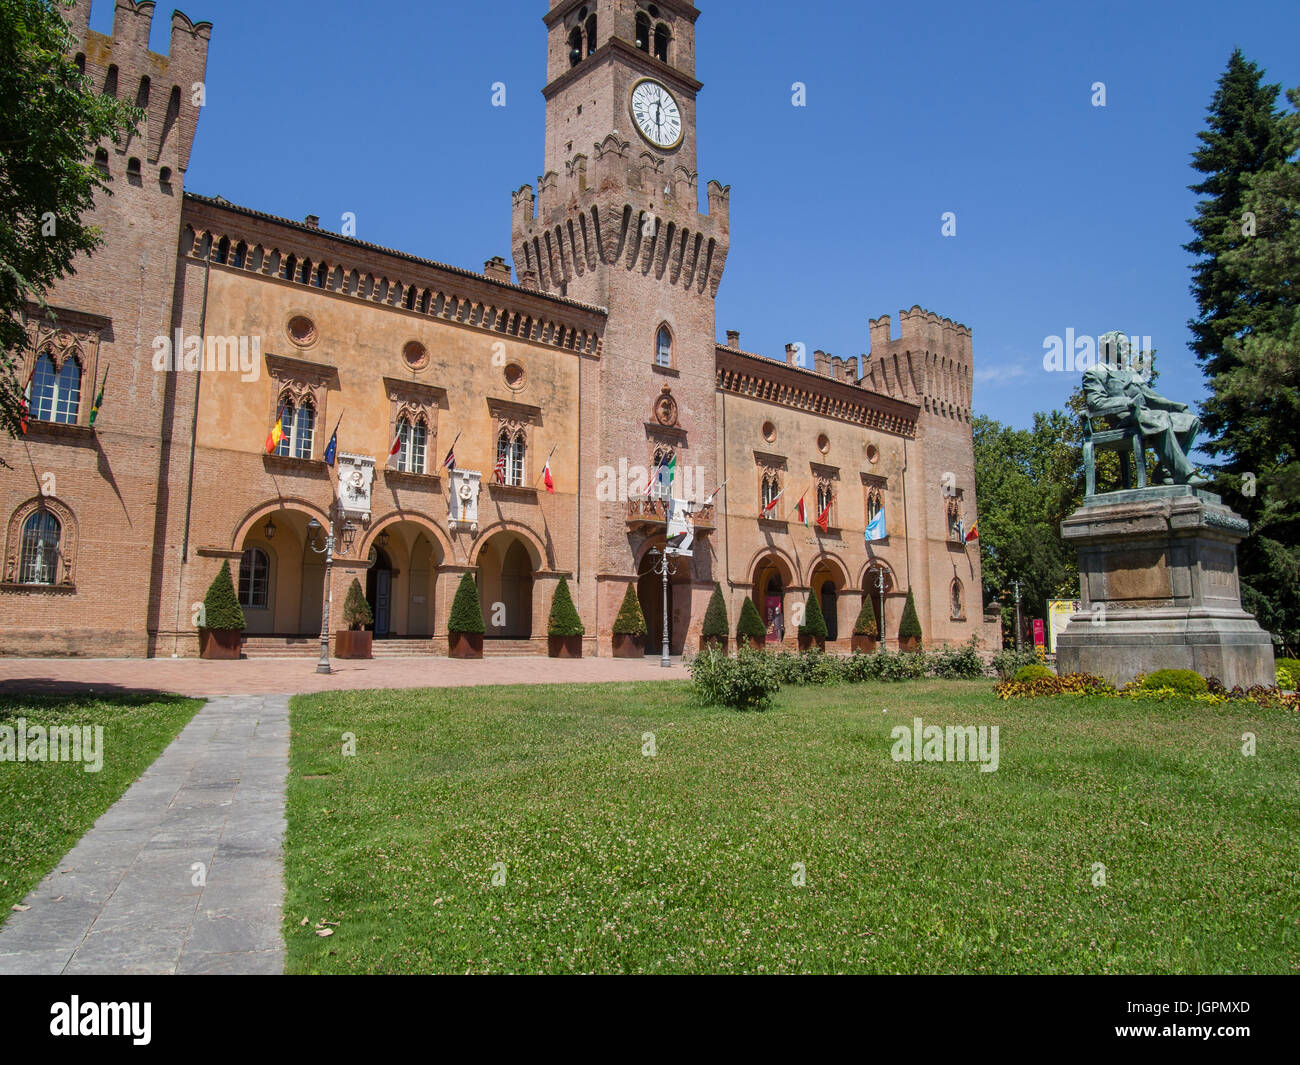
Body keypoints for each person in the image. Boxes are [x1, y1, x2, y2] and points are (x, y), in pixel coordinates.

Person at [1082, 345, 1203, 486]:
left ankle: (1164, 472)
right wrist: (1127, 402)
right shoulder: (1094, 372)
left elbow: (1151, 397)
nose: (1128, 350)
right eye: (1123, 347)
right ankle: (1184, 475)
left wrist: (1181, 408)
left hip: (1145, 416)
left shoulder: (1130, 372)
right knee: (1161, 417)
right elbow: (1095, 402)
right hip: (1123, 419)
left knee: (1191, 421)